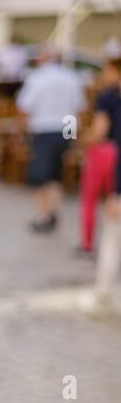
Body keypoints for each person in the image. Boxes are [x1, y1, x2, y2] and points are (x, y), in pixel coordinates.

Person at [16, 46, 86, 233]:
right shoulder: (71, 77)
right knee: (55, 174)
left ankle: (43, 215)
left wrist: (23, 133)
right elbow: (78, 109)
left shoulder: (38, 78)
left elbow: (24, 108)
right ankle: (53, 211)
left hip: (44, 130)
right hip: (64, 130)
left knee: (40, 176)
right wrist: (72, 136)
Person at [78, 58, 120, 257]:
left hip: (104, 151)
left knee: (90, 199)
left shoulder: (106, 97)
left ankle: (88, 243)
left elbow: (100, 130)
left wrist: (85, 141)